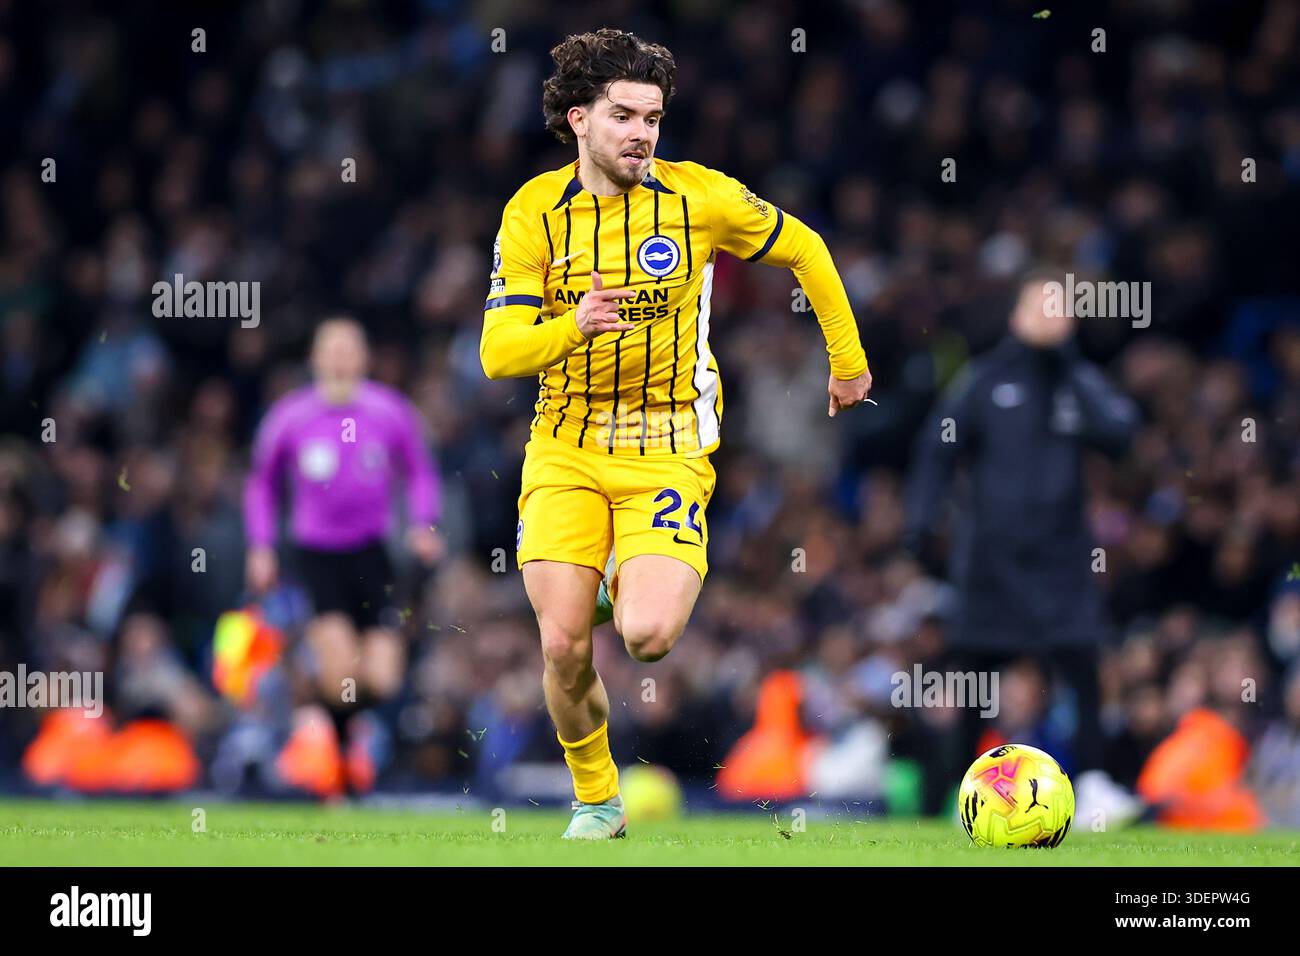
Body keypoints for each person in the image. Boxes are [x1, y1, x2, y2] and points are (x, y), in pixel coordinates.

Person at [479, 28, 873, 838]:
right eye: (623, 115)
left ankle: (613, 578)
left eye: (653, 117)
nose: (642, 134)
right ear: (579, 120)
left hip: (667, 444)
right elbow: (497, 353)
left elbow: (805, 246)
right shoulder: (532, 213)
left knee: (649, 638)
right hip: (566, 445)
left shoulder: (697, 198)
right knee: (560, 646)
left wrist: (848, 361)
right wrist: (573, 328)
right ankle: (597, 799)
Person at [903, 271, 1141, 821]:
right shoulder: (984, 382)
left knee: (1082, 663)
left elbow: (1121, 433)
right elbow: (936, 449)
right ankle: (946, 796)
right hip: (992, 560)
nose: (1054, 315)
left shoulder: (1077, 382)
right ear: (1017, 314)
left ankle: (1096, 783)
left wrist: (1069, 363)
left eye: (1063, 307)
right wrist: (920, 525)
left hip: (1061, 559)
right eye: (1043, 304)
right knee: (973, 678)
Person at [243, 317, 445, 794]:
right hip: (317, 558)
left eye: (348, 348)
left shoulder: (389, 411)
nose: (338, 357)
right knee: (341, 677)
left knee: (383, 678)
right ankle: (339, 761)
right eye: (329, 348)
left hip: (372, 556)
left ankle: (327, 723)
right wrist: (262, 546)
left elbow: (419, 471)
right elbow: (261, 485)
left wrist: (423, 524)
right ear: (315, 357)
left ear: (363, 357)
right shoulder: (291, 417)